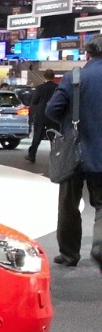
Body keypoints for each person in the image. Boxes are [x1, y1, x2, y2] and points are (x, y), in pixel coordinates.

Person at [45, 36, 102, 269]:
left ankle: (69, 254)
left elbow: (52, 110)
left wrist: (70, 125)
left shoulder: (74, 77)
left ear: (87, 53)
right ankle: (99, 246)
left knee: (69, 204)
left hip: (74, 152)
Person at [25, 69, 58, 164]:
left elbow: (34, 102)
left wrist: (35, 113)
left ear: (44, 77)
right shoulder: (58, 88)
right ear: (54, 77)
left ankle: (32, 155)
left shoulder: (40, 88)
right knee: (54, 137)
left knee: (37, 136)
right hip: (53, 115)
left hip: (41, 116)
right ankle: (55, 157)